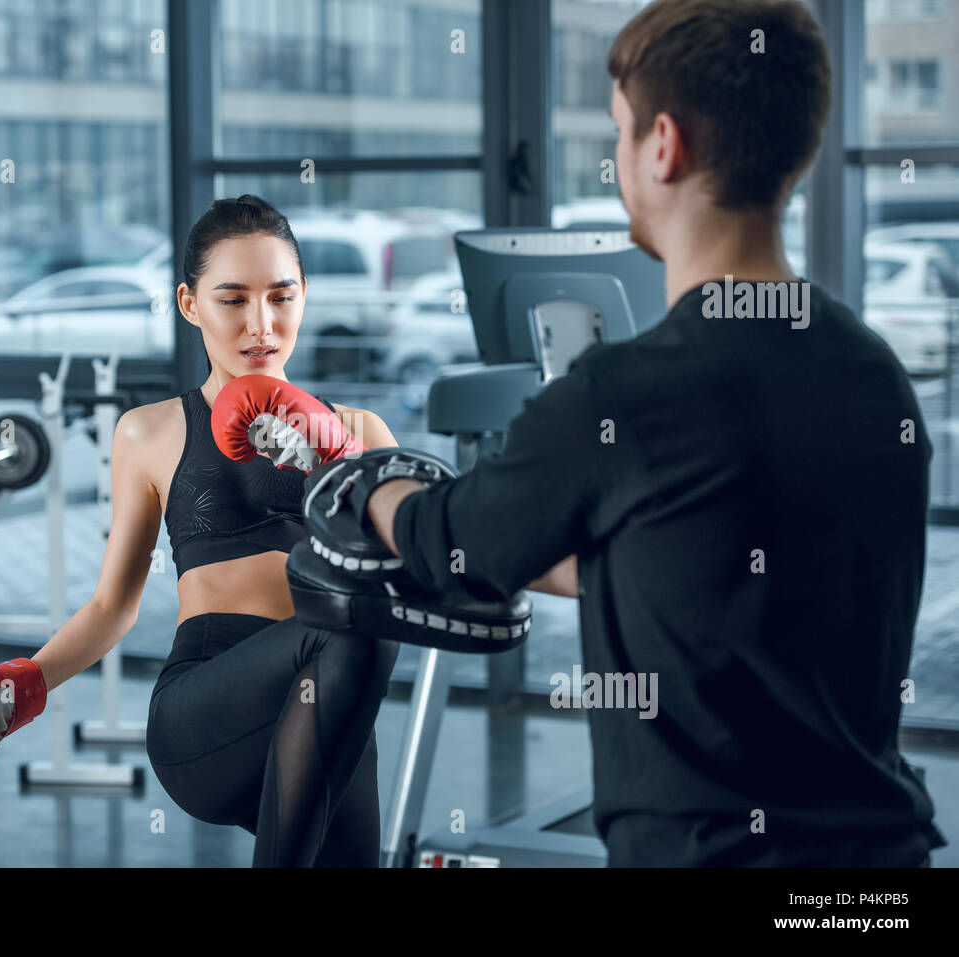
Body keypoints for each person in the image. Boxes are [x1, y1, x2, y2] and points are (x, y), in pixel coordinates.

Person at [314, 0, 947, 867]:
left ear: (664, 144)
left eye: (619, 131)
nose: (616, 158)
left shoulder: (624, 396)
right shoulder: (876, 376)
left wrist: (369, 481)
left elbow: (448, 542)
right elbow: (707, 561)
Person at [0, 195, 405, 867]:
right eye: (232, 299)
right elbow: (113, 606)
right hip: (207, 706)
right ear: (188, 303)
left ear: (304, 296)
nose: (260, 324)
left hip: (329, 700)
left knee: (360, 627)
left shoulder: (360, 432)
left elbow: (427, 570)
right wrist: (11, 693)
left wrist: (338, 458)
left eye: (280, 297)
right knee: (344, 626)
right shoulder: (150, 430)